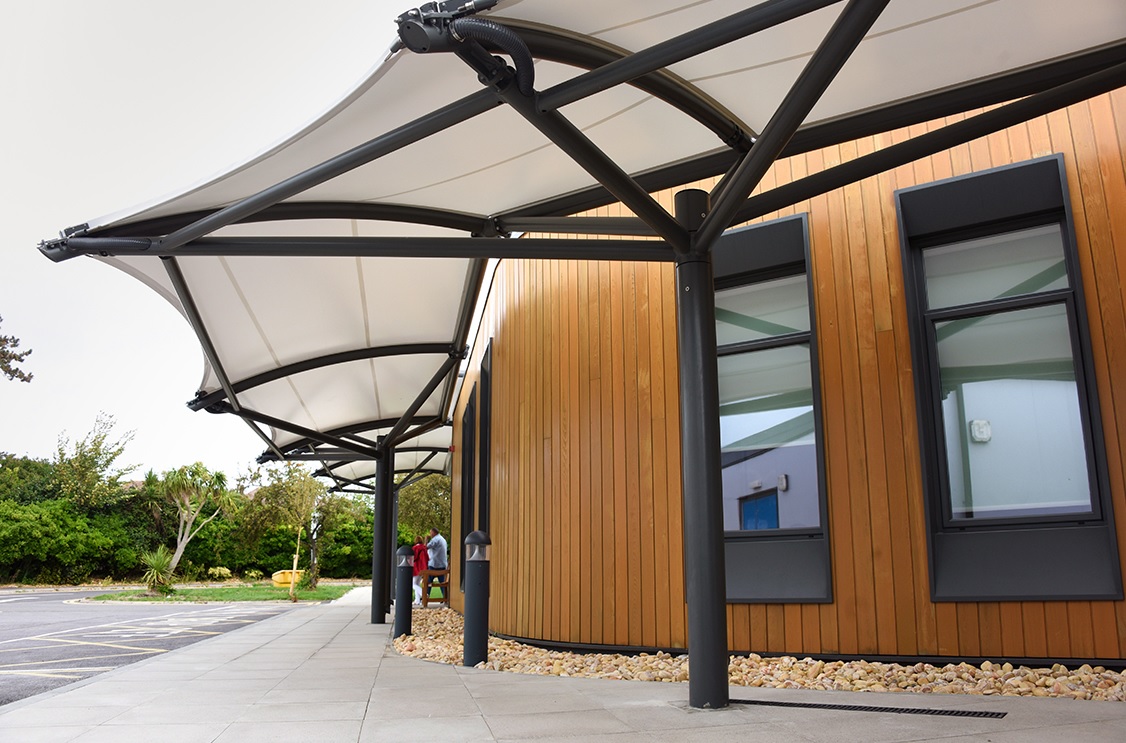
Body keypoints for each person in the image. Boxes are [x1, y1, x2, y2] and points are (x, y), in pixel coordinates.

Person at [426, 527, 448, 600]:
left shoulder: (435, 539)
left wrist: (426, 540)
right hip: (442, 564)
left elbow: (426, 547)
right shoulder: (442, 539)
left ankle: (426, 596)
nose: (430, 534)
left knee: (428, 582)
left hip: (434, 564)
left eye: (430, 532)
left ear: (433, 532)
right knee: (442, 583)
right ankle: (445, 597)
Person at [411, 536, 429, 606]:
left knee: (413, 584)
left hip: (416, 567)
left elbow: (414, 558)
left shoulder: (415, 548)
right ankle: (417, 600)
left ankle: (424, 594)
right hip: (423, 567)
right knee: (417, 583)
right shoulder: (424, 548)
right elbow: (427, 558)